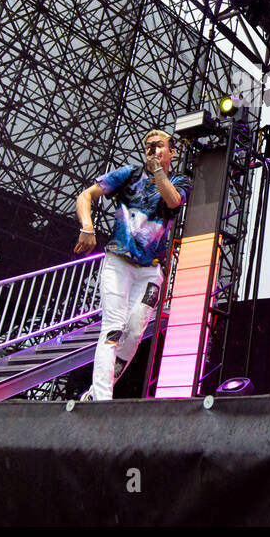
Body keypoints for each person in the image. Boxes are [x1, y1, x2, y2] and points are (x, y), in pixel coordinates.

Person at [75, 129, 190, 401]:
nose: (153, 150)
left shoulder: (180, 181)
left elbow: (173, 201)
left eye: (159, 146)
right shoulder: (128, 174)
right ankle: (103, 399)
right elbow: (86, 196)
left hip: (150, 269)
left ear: (172, 153)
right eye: (149, 146)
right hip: (118, 261)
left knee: (134, 332)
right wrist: (87, 226)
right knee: (113, 328)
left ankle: (95, 392)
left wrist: (156, 171)